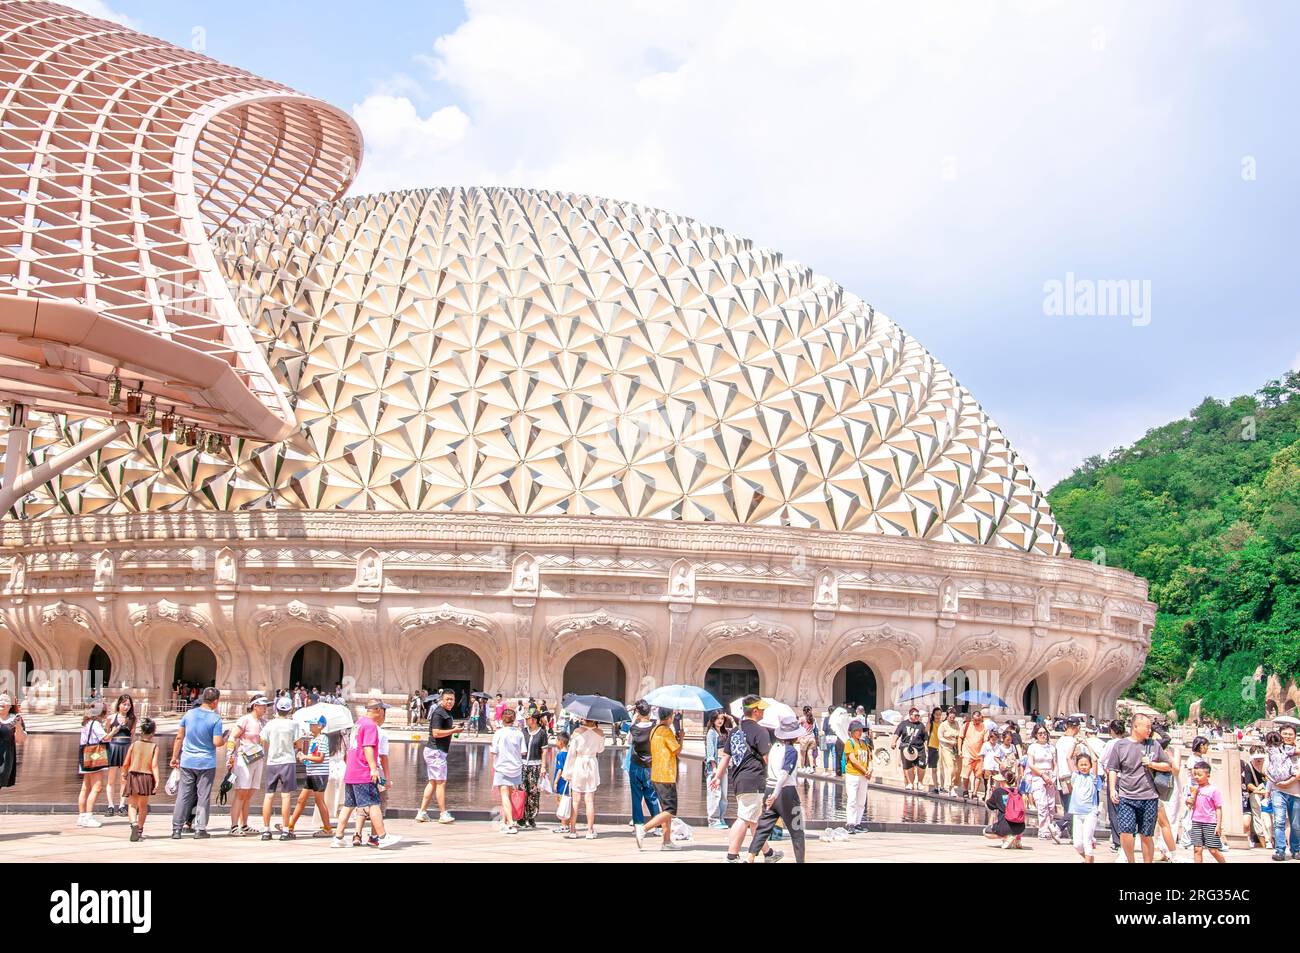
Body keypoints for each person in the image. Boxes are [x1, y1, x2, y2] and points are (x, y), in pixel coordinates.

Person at [712, 694, 780, 864]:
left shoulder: (735, 731)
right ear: (755, 711)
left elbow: (726, 757)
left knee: (753, 819)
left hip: (739, 780)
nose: (764, 711)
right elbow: (766, 759)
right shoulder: (761, 731)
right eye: (762, 709)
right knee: (744, 819)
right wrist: (777, 778)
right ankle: (731, 856)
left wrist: (717, 776)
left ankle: (769, 853)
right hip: (754, 779)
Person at [1104, 713, 1173, 864]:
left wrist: (1152, 765)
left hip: (1149, 796)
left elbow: (1168, 765)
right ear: (1136, 726)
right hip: (1127, 796)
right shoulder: (1120, 745)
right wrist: (1112, 790)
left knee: (1146, 835)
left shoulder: (1154, 745)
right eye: (1147, 727)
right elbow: (1113, 769)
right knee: (1126, 832)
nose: (1150, 730)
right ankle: (1131, 860)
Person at [330, 700, 399, 849]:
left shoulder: (358, 723)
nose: (383, 714)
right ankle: (382, 837)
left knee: (349, 805)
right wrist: (373, 769)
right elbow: (368, 747)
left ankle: (338, 838)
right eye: (383, 711)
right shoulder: (370, 726)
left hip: (352, 771)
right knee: (374, 804)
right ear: (378, 710)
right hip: (363, 771)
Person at [745, 714, 806, 863]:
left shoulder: (774, 748)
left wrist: (772, 794)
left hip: (769, 789)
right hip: (786, 793)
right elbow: (784, 774)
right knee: (797, 831)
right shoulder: (791, 751)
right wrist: (777, 793)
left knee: (763, 827)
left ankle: (750, 857)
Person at [170, 687, 224, 839]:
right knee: (203, 795)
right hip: (206, 762)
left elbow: (179, 737)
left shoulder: (189, 714)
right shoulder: (215, 719)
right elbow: (217, 742)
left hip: (187, 761)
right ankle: (200, 829)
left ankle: (177, 828)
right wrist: (224, 739)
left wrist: (175, 757)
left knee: (183, 795)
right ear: (215, 702)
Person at [636, 707, 683, 850]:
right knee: (670, 810)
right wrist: (681, 737)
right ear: (669, 717)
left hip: (656, 773)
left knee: (665, 810)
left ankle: (666, 841)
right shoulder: (666, 731)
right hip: (666, 775)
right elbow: (677, 750)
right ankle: (644, 829)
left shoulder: (654, 729)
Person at [259, 696, 305, 841]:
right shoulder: (294, 725)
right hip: (287, 762)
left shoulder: (270, 724)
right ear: (290, 709)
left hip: (272, 762)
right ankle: (286, 830)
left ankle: (266, 830)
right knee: (286, 796)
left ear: (276, 709)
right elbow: (299, 745)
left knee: (269, 795)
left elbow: (263, 741)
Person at [415, 688, 462, 824]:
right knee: (441, 782)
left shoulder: (446, 712)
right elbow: (435, 733)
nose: (449, 702)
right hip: (436, 751)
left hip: (435, 751)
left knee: (433, 782)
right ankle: (443, 813)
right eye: (447, 699)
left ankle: (422, 812)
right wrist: (453, 730)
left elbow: (442, 730)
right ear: (442, 699)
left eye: (452, 699)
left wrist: (453, 728)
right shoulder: (438, 713)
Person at [226, 695, 269, 836]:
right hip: (244, 759)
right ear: (255, 706)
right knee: (241, 791)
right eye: (263, 705)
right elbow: (233, 736)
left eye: (266, 706)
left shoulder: (264, 722)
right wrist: (230, 755)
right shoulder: (245, 720)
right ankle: (234, 825)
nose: (265, 708)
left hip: (258, 758)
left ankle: (244, 824)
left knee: (250, 792)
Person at [288, 715, 333, 837]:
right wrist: (303, 759)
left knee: (319, 801)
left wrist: (305, 757)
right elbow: (313, 759)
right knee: (301, 800)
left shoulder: (323, 738)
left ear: (320, 726)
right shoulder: (314, 739)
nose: (310, 726)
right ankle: (290, 825)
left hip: (319, 774)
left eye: (313, 724)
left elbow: (320, 758)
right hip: (312, 773)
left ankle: (328, 828)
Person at [563, 717, 605, 839]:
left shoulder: (577, 732)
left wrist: (568, 772)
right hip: (591, 762)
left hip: (579, 763)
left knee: (576, 800)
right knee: (590, 800)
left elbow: (571, 753)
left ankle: (572, 830)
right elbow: (600, 749)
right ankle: (590, 831)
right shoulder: (600, 732)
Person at [120, 717, 160, 843]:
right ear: (153, 733)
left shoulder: (134, 745)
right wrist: (157, 779)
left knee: (132, 804)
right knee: (143, 806)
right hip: (146, 776)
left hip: (133, 774)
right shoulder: (154, 747)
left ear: (141, 731)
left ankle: (133, 823)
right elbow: (154, 765)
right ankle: (140, 830)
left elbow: (126, 762)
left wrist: (124, 773)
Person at [1265, 726, 1300, 861]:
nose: (1287, 736)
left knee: (1296, 824)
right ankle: (1280, 850)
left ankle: (1296, 849)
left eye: (1290, 734)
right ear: (1280, 735)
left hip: (1296, 792)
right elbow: (1265, 769)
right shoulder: (1273, 750)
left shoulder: (1296, 752)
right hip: (1278, 790)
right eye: (1284, 734)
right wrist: (1276, 782)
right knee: (1279, 821)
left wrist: (1288, 782)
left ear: (1295, 736)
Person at [626, 700, 662, 829]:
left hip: (635, 765)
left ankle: (639, 824)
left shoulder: (633, 728)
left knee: (636, 796)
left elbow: (629, 742)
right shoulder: (654, 727)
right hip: (650, 765)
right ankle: (657, 825)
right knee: (652, 795)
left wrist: (634, 718)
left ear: (637, 712)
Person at [489, 707, 525, 834]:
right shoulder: (519, 733)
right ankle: (504, 821)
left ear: (502, 719)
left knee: (504, 795)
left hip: (502, 767)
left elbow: (494, 751)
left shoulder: (499, 733)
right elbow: (523, 751)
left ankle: (510, 823)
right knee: (508, 795)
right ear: (514, 719)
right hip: (515, 767)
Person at [1025, 723, 1061, 844]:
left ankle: (1050, 827)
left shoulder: (1051, 748)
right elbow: (1031, 764)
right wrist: (1042, 774)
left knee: (1051, 804)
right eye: (1040, 733)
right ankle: (1043, 829)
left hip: (1050, 776)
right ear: (1036, 735)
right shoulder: (1033, 747)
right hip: (1038, 776)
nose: (1043, 735)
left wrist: (1054, 775)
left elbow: (1055, 763)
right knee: (1042, 803)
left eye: (1044, 733)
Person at [76, 702, 109, 828]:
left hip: (85, 755)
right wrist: (113, 731)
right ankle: (88, 816)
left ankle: (82, 815)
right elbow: (105, 738)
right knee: (97, 786)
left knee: (85, 787)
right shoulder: (95, 724)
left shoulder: (86, 723)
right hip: (94, 756)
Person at [1185, 761, 1225, 864]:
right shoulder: (1194, 789)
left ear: (1208, 775)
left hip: (1210, 822)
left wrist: (1218, 825)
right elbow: (1190, 804)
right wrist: (1189, 799)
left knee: (1213, 849)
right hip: (1196, 821)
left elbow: (1218, 808)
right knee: (1197, 849)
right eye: (1195, 775)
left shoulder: (1213, 790)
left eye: (1199, 775)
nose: (1196, 777)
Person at [103, 693, 136, 818]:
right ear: (119, 704)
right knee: (111, 779)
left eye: (128, 705)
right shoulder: (111, 718)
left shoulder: (132, 719)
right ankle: (110, 805)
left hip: (126, 748)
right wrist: (113, 731)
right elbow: (106, 736)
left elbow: (132, 736)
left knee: (124, 779)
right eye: (124, 704)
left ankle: (122, 805)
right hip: (113, 747)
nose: (126, 707)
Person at [520, 708, 550, 830]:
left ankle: (531, 817)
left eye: (527, 719)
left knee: (533, 792)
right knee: (522, 790)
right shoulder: (523, 731)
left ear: (533, 720)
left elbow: (544, 751)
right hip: (522, 765)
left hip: (535, 765)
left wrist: (543, 766)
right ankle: (521, 816)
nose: (526, 721)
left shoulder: (542, 733)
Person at [1068, 751, 1101, 863]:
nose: (1083, 767)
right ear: (1077, 766)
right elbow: (1068, 757)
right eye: (1081, 764)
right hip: (1077, 813)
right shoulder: (1075, 776)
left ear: (1090, 765)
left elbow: (1095, 759)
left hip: (1090, 813)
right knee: (1077, 844)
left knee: (1087, 841)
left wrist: (1087, 743)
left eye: (1086, 764)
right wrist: (1075, 744)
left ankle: (1088, 861)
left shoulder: (1093, 778)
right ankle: (1089, 860)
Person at [982, 768, 1025, 848]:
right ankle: (1017, 839)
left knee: (985, 832)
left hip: (1005, 826)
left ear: (1002, 780)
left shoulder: (998, 792)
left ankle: (1007, 837)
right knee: (1013, 827)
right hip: (1021, 827)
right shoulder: (1018, 792)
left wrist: (988, 790)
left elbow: (988, 806)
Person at [843, 719, 872, 833]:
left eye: (861, 730)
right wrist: (865, 771)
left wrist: (870, 769)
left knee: (861, 801)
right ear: (852, 732)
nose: (860, 732)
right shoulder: (849, 743)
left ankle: (857, 822)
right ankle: (850, 823)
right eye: (857, 730)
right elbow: (853, 760)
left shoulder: (864, 743)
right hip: (853, 774)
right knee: (852, 800)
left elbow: (869, 758)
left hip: (863, 776)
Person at [704, 711, 730, 829]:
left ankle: (721, 817)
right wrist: (714, 768)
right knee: (715, 793)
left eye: (722, 719)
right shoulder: (711, 733)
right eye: (718, 719)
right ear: (713, 719)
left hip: (723, 764)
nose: (720, 721)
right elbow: (710, 752)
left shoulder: (724, 732)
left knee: (724, 794)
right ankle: (713, 819)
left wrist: (732, 720)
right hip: (715, 765)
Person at [892, 707, 928, 791]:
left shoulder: (921, 725)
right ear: (910, 715)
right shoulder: (903, 724)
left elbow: (925, 737)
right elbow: (897, 733)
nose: (917, 717)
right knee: (909, 766)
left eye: (918, 715)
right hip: (907, 748)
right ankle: (910, 783)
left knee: (922, 765)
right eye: (916, 715)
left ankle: (920, 782)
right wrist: (893, 742)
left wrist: (927, 746)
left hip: (919, 747)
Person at [1242, 750, 1271, 849]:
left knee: (1272, 822)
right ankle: (1265, 844)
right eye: (1256, 759)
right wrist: (1261, 791)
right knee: (1259, 820)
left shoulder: (1268, 765)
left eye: (1261, 759)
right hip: (1257, 797)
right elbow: (1249, 784)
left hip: (1270, 797)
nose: (1259, 761)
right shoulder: (1248, 767)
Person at [0, 692, 26, 802]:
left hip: (5, 758)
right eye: (0, 699)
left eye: (5, 700)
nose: (1, 702)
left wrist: (18, 726)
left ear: (11, 705)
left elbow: (20, 741)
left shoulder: (15, 719)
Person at [960, 710, 987, 799]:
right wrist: (960, 750)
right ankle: (965, 790)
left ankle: (975, 792)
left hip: (979, 755)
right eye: (975, 720)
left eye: (979, 720)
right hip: (967, 753)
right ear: (972, 718)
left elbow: (985, 741)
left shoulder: (984, 727)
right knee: (966, 775)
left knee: (978, 775)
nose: (977, 722)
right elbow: (960, 738)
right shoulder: (966, 725)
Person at [552, 731, 573, 835]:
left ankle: (564, 825)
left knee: (561, 803)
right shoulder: (569, 754)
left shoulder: (560, 755)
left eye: (556, 740)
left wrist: (555, 782)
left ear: (560, 742)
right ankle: (568, 824)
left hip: (561, 782)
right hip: (568, 782)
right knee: (567, 803)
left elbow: (560, 769)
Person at [937, 708, 961, 795]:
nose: (952, 719)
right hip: (945, 748)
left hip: (955, 749)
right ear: (947, 716)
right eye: (950, 717)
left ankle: (952, 785)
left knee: (956, 769)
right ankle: (950, 787)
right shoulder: (943, 725)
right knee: (950, 767)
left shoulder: (956, 724)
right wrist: (949, 741)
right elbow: (940, 737)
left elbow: (959, 734)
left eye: (953, 717)